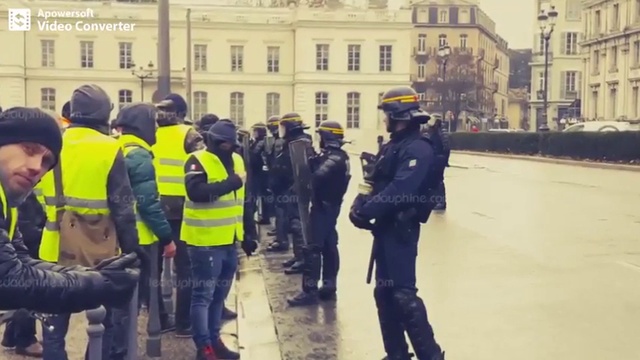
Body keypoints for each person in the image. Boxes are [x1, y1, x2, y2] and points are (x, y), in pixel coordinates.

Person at [0, 106, 140, 312]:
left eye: (47, 161)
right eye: (29, 149)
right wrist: (98, 284)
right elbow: (9, 281)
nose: (36, 166)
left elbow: (21, 263)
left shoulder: (7, 201)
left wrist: (91, 276)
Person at [37, 84, 140, 360]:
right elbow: (122, 206)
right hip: (99, 251)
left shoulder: (51, 143)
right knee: (102, 325)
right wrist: (133, 250)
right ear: (104, 114)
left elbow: (31, 196)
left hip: (53, 247)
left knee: (54, 329)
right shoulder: (109, 148)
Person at [349, 87, 445, 360]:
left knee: (404, 296)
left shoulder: (418, 148)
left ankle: (432, 356)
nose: (385, 120)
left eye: (387, 115)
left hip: (401, 231)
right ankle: (397, 355)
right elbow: (372, 178)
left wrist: (368, 210)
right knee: (385, 293)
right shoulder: (393, 145)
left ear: (397, 115)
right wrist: (358, 205)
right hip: (384, 230)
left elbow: (401, 189)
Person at [182, 121, 257, 360]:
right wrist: (233, 182)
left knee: (219, 296)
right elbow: (197, 193)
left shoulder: (237, 160)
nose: (228, 147)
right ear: (212, 141)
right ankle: (203, 348)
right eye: (223, 143)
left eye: (231, 144)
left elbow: (243, 200)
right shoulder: (197, 160)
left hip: (228, 240)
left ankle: (215, 341)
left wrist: (247, 233)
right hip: (203, 240)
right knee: (203, 296)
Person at [115, 103, 177, 332]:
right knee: (147, 284)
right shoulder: (139, 155)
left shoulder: (116, 147)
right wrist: (167, 237)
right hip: (140, 236)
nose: (157, 130)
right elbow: (148, 203)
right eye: (153, 124)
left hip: (118, 234)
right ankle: (154, 325)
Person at [152, 93, 204, 337]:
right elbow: (204, 165)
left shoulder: (146, 133)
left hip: (149, 207)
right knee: (185, 268)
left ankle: (160, 319)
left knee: (151, 268)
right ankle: (183, 323)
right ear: (182, 113)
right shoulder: (190, 134)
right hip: (181, 208)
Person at [287, 120, 351, 306]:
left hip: (324, 206)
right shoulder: (337, 155)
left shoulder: (336, 158)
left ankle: (310, 291)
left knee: (312, 247)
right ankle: (329, 286)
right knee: (330, 245)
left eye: (321, 136)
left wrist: (302, 182)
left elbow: (317, 177)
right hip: (328, 205)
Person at [266, 113, 308, 275]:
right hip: (284, 190)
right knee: (292, 223)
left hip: (292, 191)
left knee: (297, 226)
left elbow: (298, 170)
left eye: (283, 126)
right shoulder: (290, 142)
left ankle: (302, 259)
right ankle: (297, 256)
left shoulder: (300, 143)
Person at [423, 118, 450, 210]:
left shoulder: (440, 132)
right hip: (436, 158)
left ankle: (441, 202)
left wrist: (444, 159)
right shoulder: (436, 131)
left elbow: (446, 147)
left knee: (439, 181)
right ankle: (436, 201)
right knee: (435, 181)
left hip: (439, 159)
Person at [249, 123, 271, 225]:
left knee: (260, 195)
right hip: (260, 172)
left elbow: (254, 156)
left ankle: (265, 216)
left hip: (259, 173)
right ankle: (264, 216)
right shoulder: (260, 142)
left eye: (254, 131)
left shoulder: (260, 143)